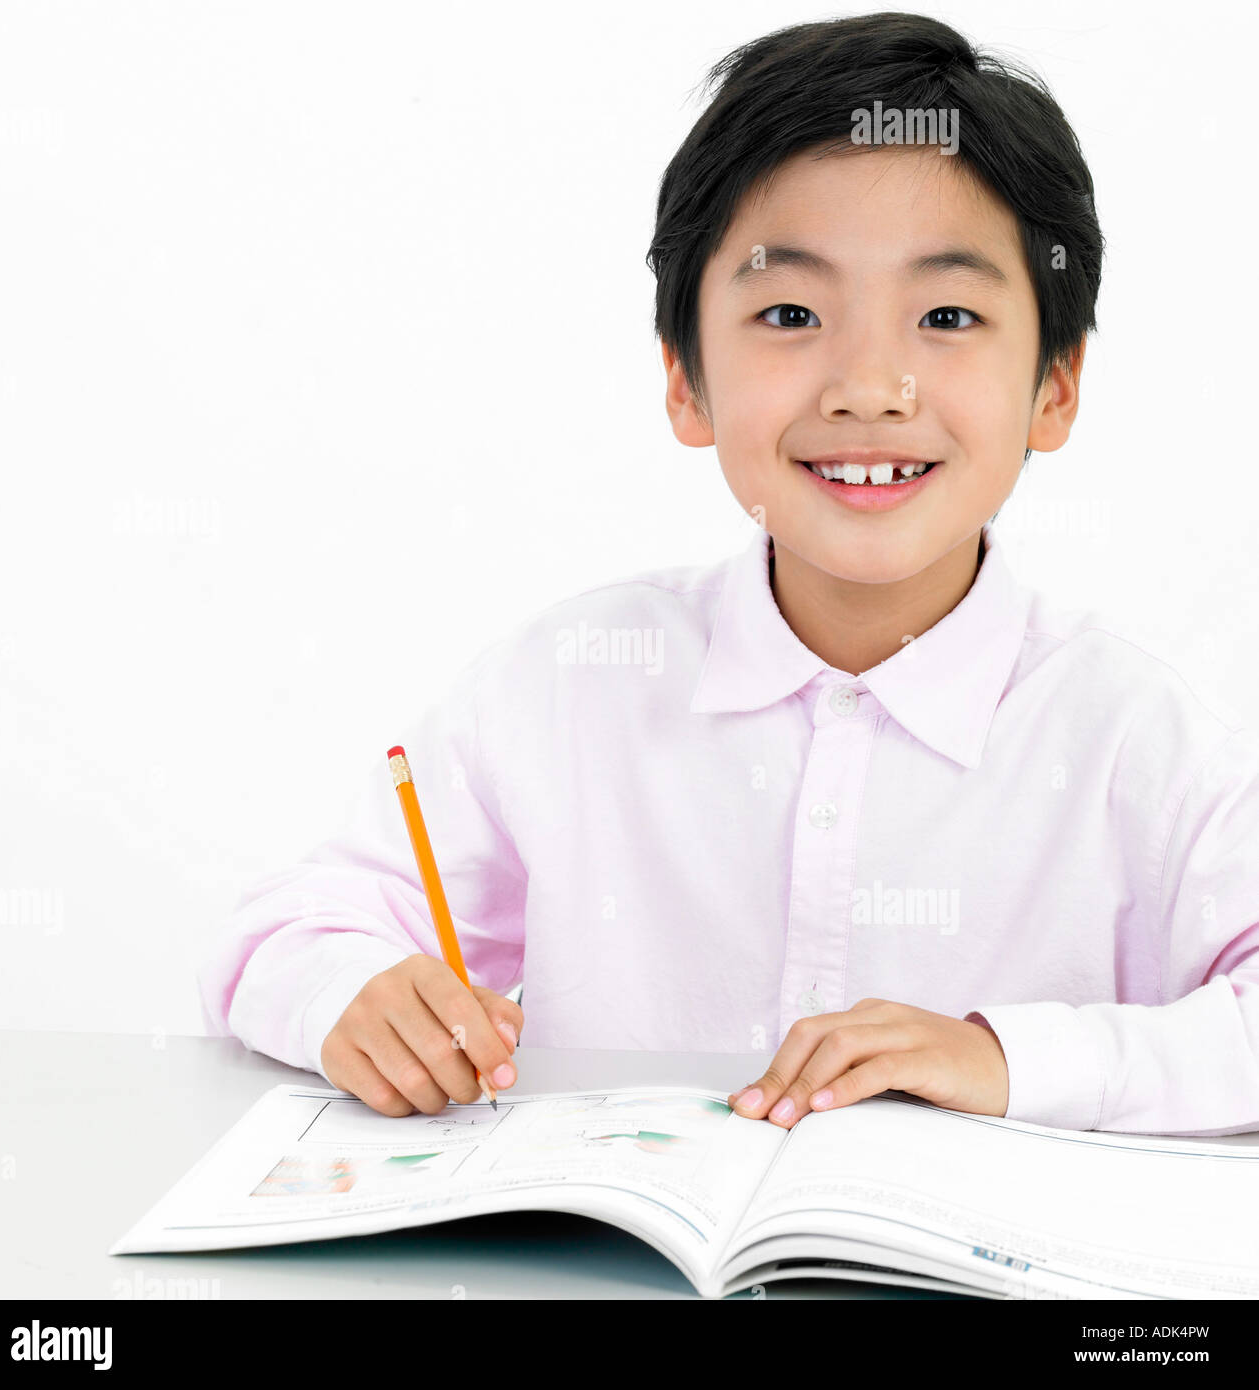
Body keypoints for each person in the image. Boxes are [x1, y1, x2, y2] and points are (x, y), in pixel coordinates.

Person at [199, 13, 1259, 1137]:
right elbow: (288, 929)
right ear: (686, 379)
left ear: (1054, 384)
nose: (869, 388)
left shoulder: (1128, 737)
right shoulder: (568, 687)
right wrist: (352, 998)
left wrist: (1006, 1057)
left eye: (946, 316)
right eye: (790, 313)